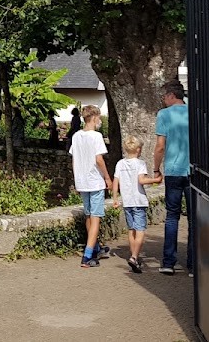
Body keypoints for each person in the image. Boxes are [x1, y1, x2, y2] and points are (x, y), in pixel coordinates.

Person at [154, 79, 193, 276]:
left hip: (173, 170)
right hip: (193, 171)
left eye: (164, 96)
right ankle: (193, 264)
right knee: (194, 218)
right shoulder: (193, 112)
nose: (163, 100)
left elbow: (160, 146)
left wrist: (156, 169)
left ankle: (169, 262)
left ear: (171, 95)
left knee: (172, 217)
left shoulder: (164, 114)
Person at [111, 135, 162, 273]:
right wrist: (155, 180)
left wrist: (115, 198)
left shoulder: (120, 164)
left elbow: (116, 181)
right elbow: (141, 180)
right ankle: (134, 257)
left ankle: (134, 256)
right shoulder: (140, 164)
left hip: (127, 201)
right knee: (140, 230)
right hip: (139, 201)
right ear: (138, 149)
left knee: (131, 230)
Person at [69, 105, 112, 267]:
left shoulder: (76, 136)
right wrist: (107, 177)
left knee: (88, 215)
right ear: (94, 118)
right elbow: (99, 159)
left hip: (82, 181)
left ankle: (95, 248)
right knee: (96, 218)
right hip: (95, 181)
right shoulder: (96, 136)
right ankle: (87, 256)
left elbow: (74, 159)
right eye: (99, 118)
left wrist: (77, 178)